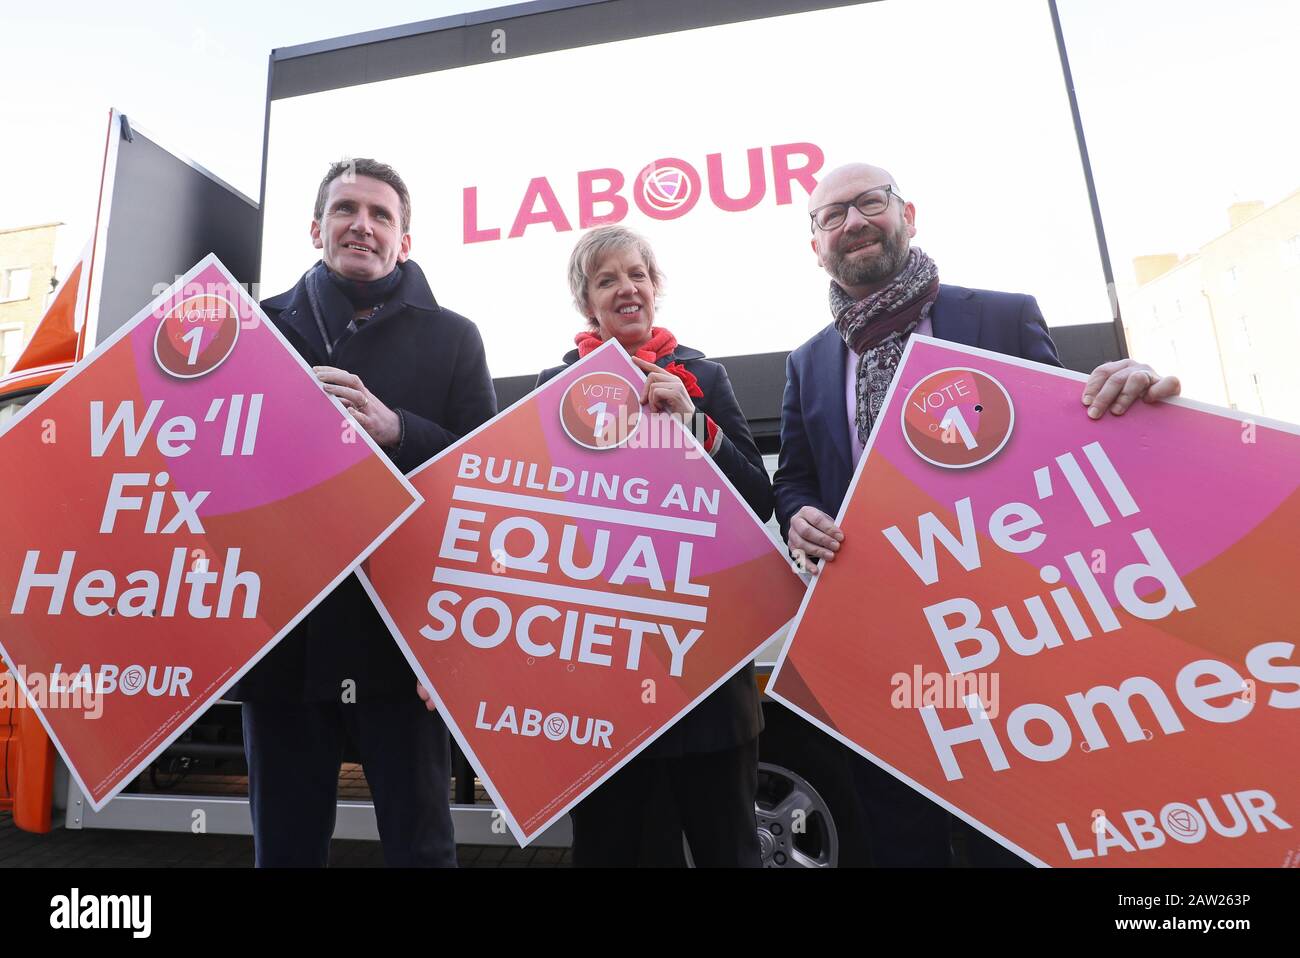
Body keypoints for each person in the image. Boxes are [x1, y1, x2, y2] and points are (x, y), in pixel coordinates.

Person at [774, 162, 1181, 867]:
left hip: (1008, 631)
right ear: (815, 246)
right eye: (831, 216)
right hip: (883, 643)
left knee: (1020, 827)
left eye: (870, 202)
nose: (854, 223)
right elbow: (800, 479)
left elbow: (1072, 432)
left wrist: (1132, 389)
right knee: (903, 832)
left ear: (909, 214)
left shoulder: (999, 314)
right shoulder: (808, 361)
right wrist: (800, 512)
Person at [233, 158, 497, 867]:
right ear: (316, 228)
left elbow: (485, 480)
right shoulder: (251, 331)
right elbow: (209, 484)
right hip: (282, 636)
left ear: (404, 241)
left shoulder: (454, 337)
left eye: (382, 215)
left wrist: (398, 430)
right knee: (285, 849)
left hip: (402, 642)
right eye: (347, 209)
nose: (363, 224)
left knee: (421, 849)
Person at [538, 224, 772, 866]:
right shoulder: (551, 387)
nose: (626, 289)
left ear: (656, 286)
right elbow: (537, 514)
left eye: (637, 275)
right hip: (603, 680)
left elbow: (758, 501)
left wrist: (696, 428)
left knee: (728, 849)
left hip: (704, 667)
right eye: (606, 280)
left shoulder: (701, 375)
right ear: (587, 302)